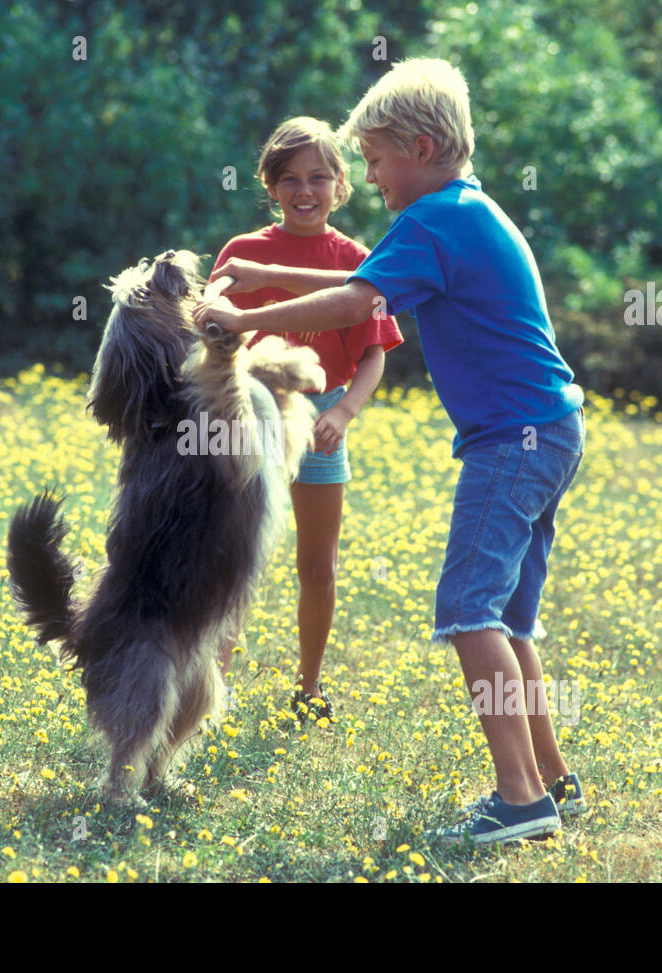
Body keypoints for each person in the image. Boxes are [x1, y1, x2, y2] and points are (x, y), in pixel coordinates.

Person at [195, 60, 587, 845]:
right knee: (508, 620)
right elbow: (356, 279)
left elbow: (353, 298)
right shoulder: (467, 210)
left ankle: (519, 800)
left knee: (469, 611)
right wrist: (261, 273)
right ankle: (551, 778)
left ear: (422, 145)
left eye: (374, 160)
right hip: (550, 429)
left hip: (512, 440)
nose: (367, 177)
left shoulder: (434, 220)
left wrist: (236, 322)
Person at [213, 116, 402, 725]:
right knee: (229, 553)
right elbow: (212, 333)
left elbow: (374, 353)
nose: (304, 190)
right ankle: (211, 682)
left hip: (321, 419)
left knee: (317, 565)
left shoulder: (358, 260)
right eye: (289, 178)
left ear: (341, 185)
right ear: (270, 187)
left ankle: (309, 685)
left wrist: (345, 410)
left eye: (319, 177)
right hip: (250, 414)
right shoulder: (243, 254)